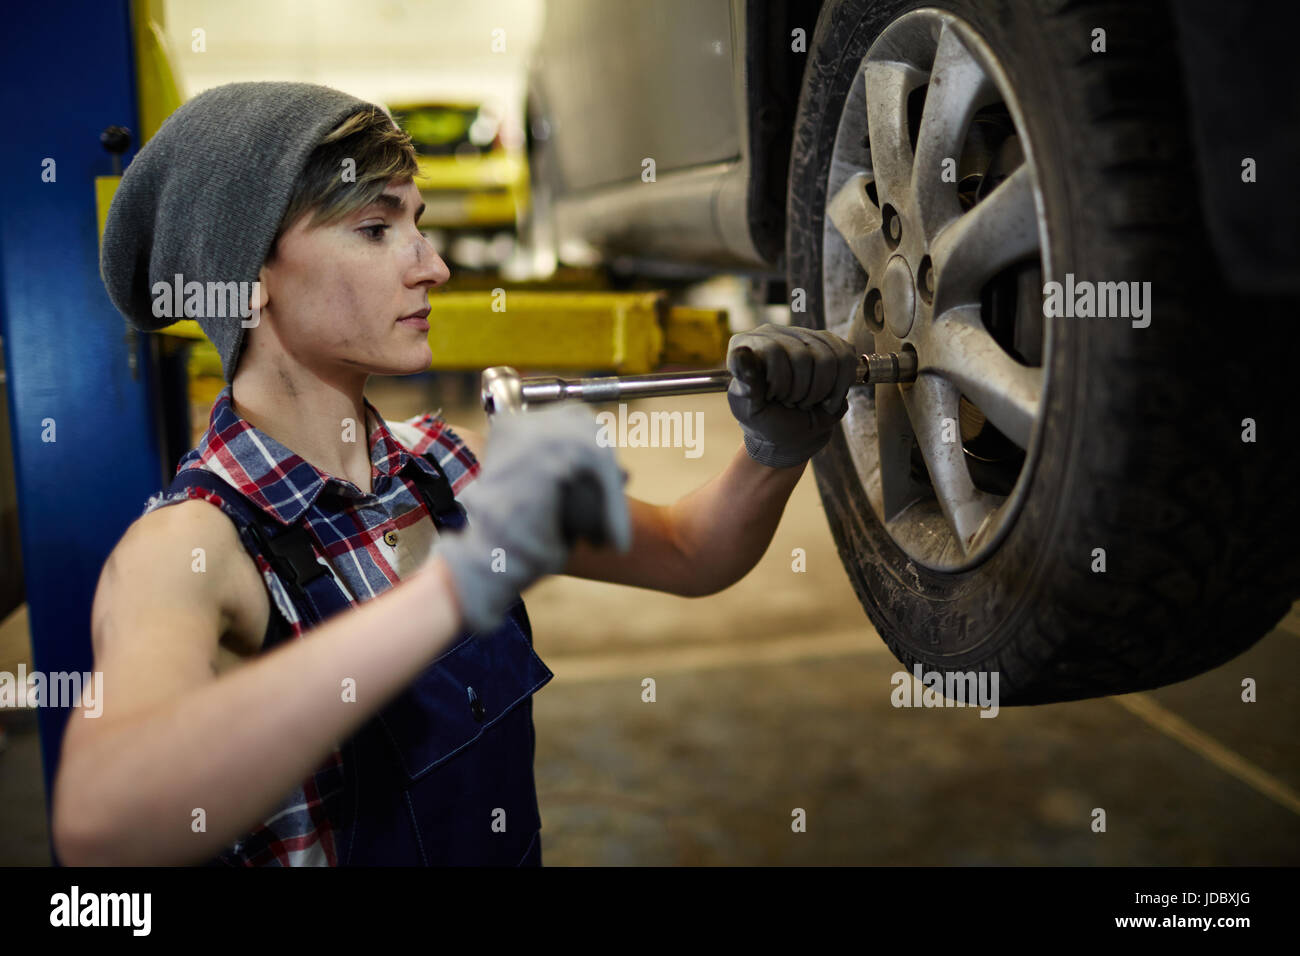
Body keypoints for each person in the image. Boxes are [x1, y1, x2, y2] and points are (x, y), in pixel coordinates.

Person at [52, 81, 858, 866]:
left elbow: (690, 552)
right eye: (375, 229)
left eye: (419, 224)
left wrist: (772, 452)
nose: (433, 266)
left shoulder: (442, 470)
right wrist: (453, 589)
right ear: (248, 279)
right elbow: (99, 820)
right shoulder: (188, 547)